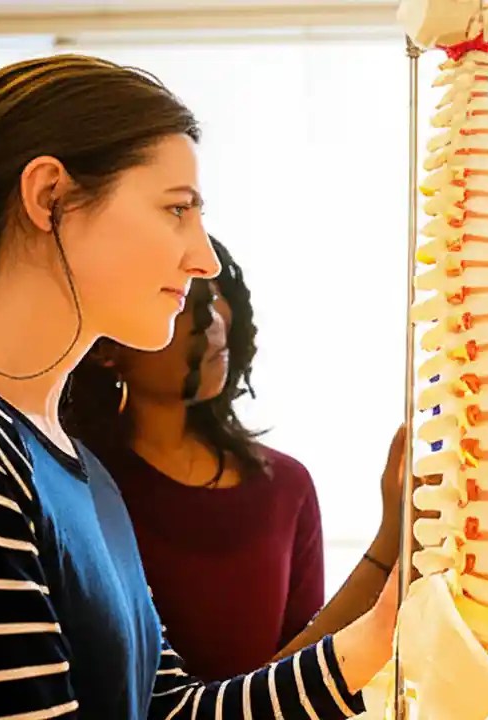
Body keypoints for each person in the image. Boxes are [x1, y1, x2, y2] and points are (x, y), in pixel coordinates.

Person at [0, 54, 395, 719]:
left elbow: (169, 710)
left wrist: (387, 625)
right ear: (50, 198)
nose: (203, 256)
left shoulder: (82, 471)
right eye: (177, 209)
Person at [62, 235, 407, 678]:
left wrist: (392, 537)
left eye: (217, 294)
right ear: (108, 347)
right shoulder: (80, 485)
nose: (214, 322)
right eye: (185, 300)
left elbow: (301, 674)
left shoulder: (286, 487)